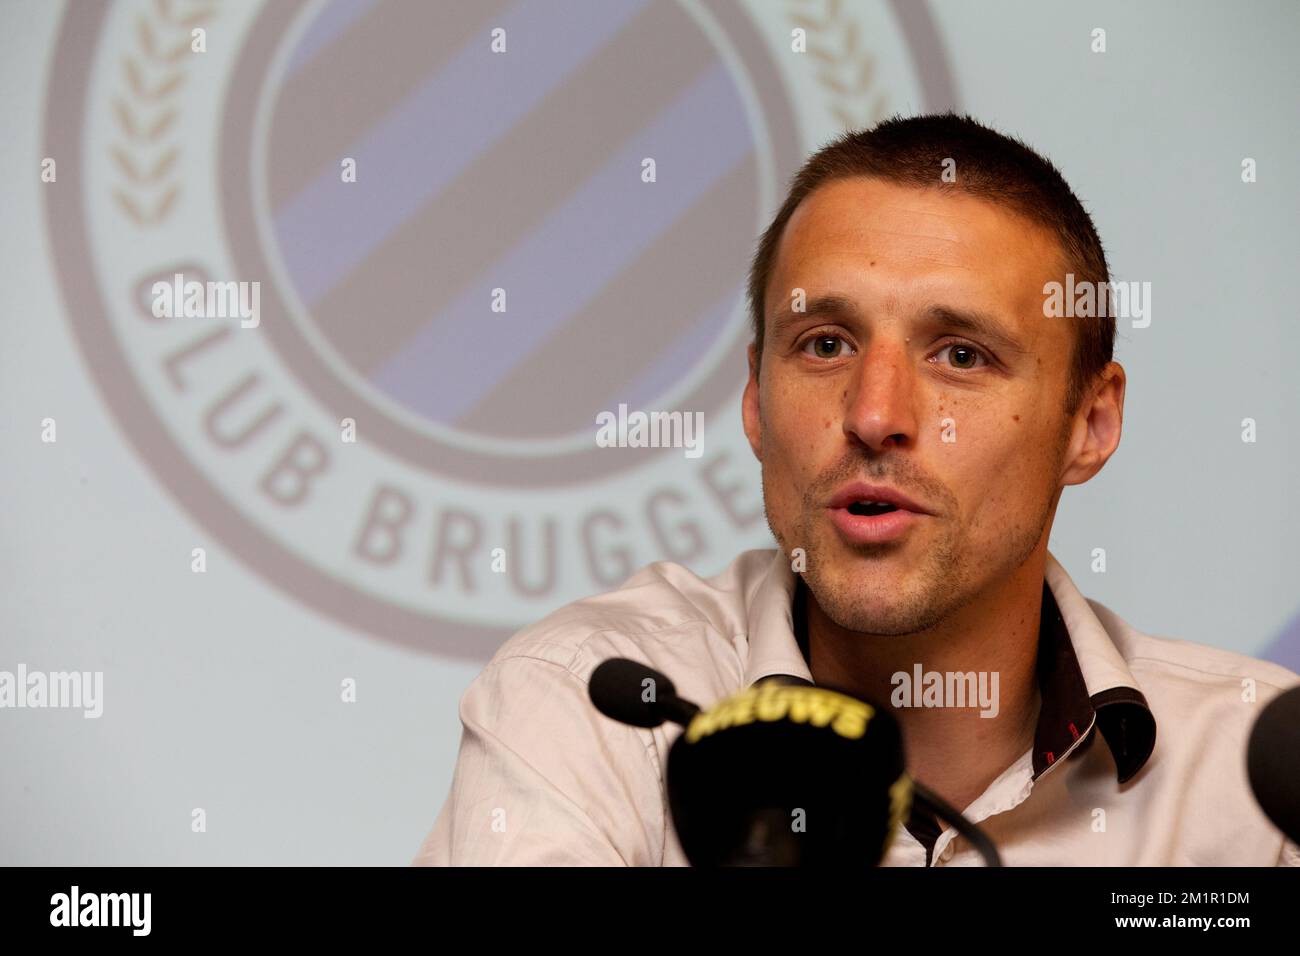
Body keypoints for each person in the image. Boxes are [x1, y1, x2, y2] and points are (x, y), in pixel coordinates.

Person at [414, 113, 1299, 866]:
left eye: (961, 355)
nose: (874, 415)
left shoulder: (1253, 781)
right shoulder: (596, 710)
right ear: (756, 400)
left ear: (1089, 425)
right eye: (826, 344)